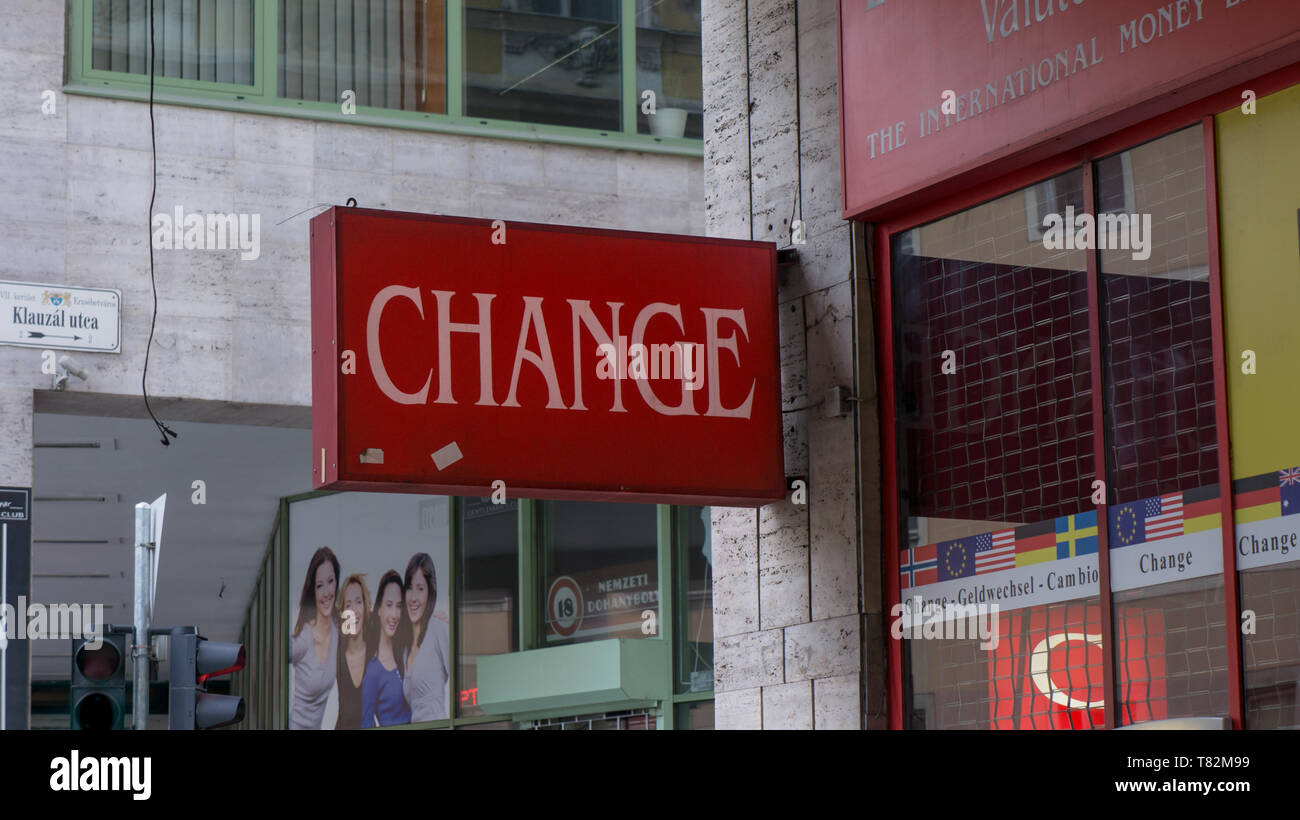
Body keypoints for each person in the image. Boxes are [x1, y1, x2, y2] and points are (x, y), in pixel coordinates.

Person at [290, 546, 340, 730]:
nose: (327, 592)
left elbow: (371, 619)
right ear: (313, 590)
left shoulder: (338, 628)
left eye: (330, 581)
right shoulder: (303, 639)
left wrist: (430, 616)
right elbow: (272, 658)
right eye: (320, 585)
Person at [402, 552, 450, 723]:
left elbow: (465, 682)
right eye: (409, 588)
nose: (413, 598)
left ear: (430, 593)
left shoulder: (439, 628)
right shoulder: (406, 646)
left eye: (420, 588)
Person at [360, 571, 412, 727]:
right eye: (389, 605)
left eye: (399, 606)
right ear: (379, 609)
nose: (394, 614)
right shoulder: (372, 672)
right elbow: (365, 724)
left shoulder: (406, 652)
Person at [334, 573, 371, 730]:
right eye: (348, 605)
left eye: (358, 602)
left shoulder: (375, 650)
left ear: (365, 605)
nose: (354, 610)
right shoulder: (336, 653)